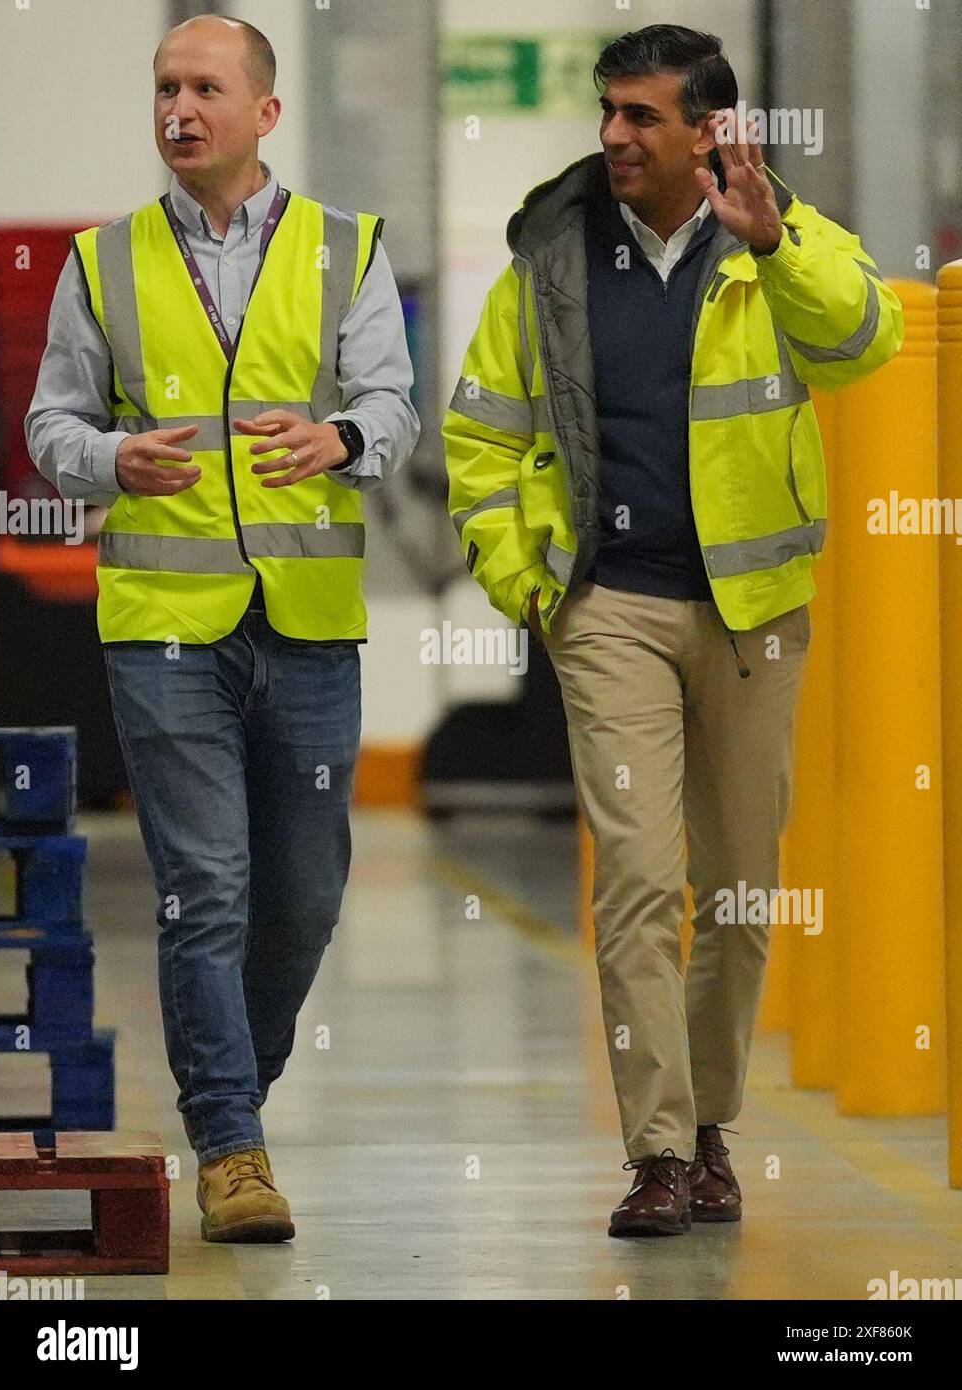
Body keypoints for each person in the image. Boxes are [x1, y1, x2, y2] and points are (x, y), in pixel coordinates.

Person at [442, 24, 903, 1238]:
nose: (614, 135)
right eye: (607, 110)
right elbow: (480, 432)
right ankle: (653, 1151)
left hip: (753, 613)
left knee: (742, 893)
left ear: (710, 128)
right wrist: (530, 581)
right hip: (612, 607)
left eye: (642, 115)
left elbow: (866, 344)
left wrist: (780, 243)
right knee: (643, 882)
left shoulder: (778, 237)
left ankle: (709, 1130)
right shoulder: (549, 261)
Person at [26, 13, 419, 1243]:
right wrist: (107, 457)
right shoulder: (104, 262)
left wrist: (339, 440)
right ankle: (234, 1145)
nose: (178, 109)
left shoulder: (345, 251)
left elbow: (393, 408)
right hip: (163, 624)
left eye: (203, 88)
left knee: (302, 897)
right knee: (208, 890)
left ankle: (229, 1098)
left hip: (306, 621)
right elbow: (50, 427)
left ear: (264, 112)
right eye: (163, 89)